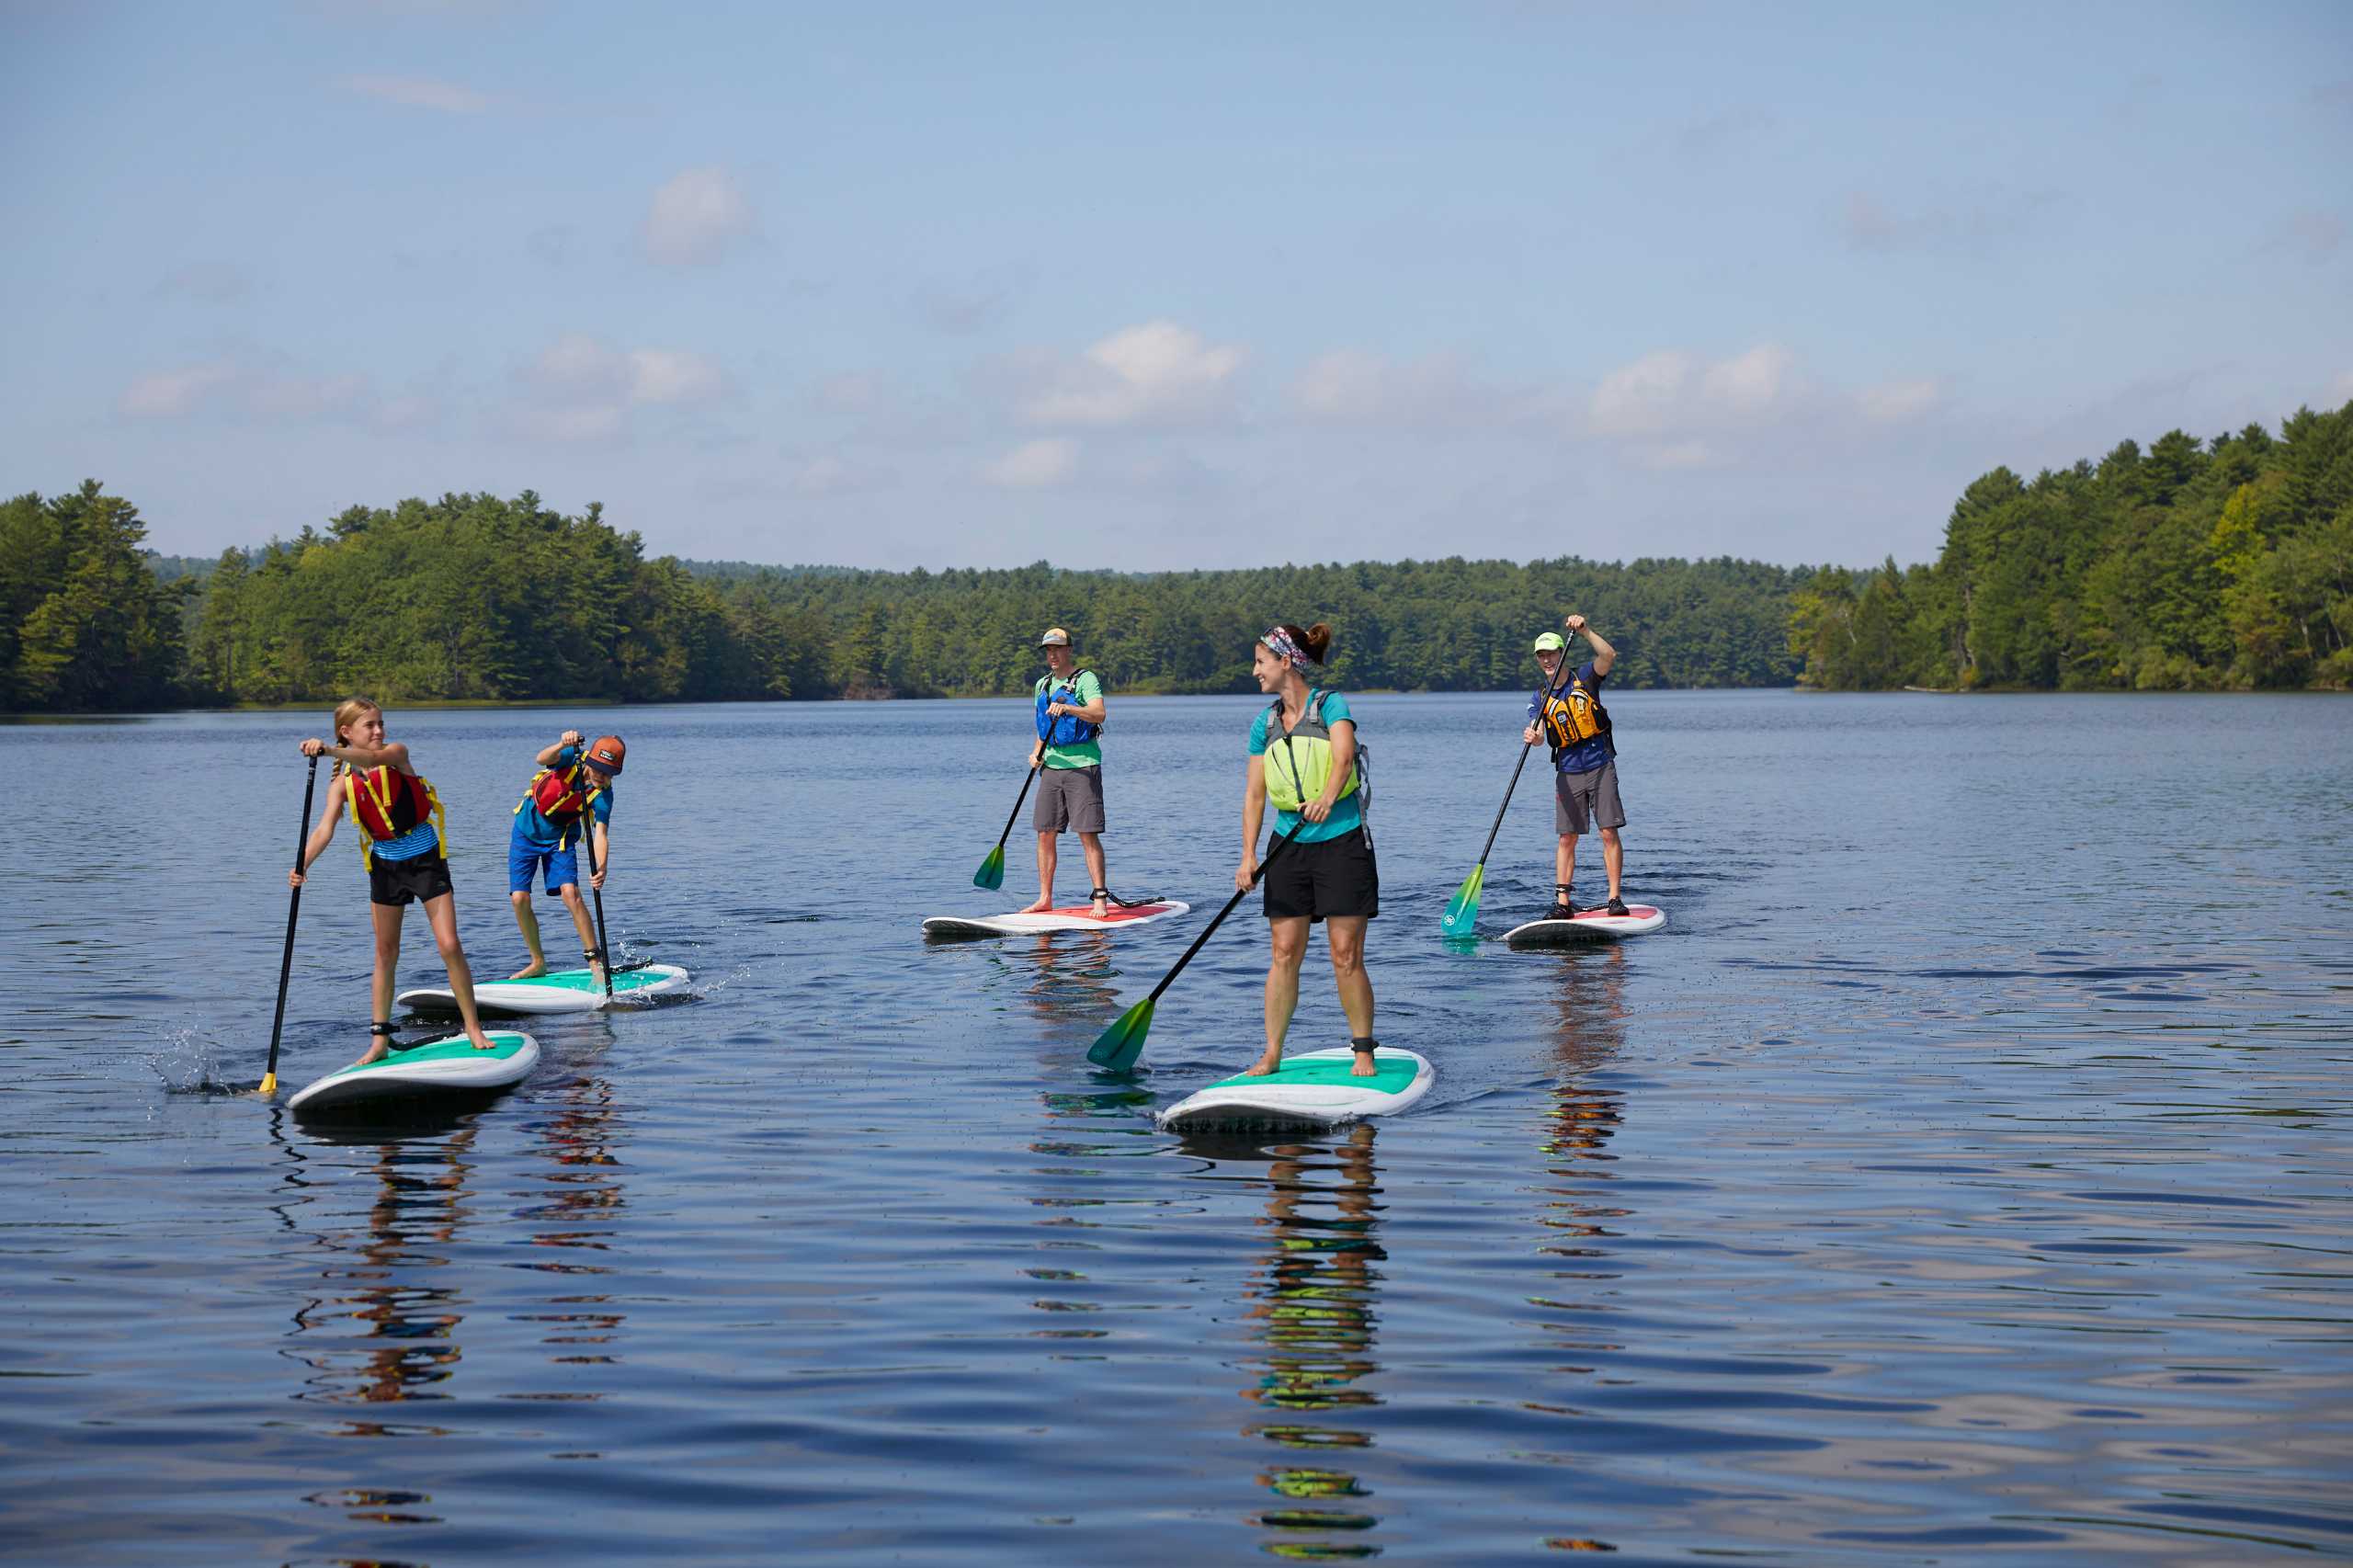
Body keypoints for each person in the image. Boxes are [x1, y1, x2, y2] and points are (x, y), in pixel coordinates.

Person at [289, 698, 495, 1062]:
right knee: (385, 953)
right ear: (346, 731)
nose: (379, 731)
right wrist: (301, 865)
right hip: (385, 867)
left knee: (449, 945)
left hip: (426, 861)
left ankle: (473, 1027)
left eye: (381, 723)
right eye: (370, 725)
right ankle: (379, 1041)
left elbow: (371, 759)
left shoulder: (396, 754)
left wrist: (328, 750)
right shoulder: (341, 785)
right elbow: (324, 830)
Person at [1239, 621, 1380, 1077]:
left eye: (1261, 662)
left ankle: (1363, 1049)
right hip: (1287, 846)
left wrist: (1326, 799)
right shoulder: (1263, 724)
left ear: (1286, 662)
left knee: (1345, 953)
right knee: (1283, 951)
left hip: (1341, 841)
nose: (1255, 671)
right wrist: (1248, 855)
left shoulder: (1331, 705)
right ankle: (1272, 1052)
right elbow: (1255, 795)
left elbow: (1343, 757)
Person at [1520, 614, 1628, 919]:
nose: (1546, 660)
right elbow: (1539, 734)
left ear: (1561, 653)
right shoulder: (1540, 697)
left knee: (1608, 831)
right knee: (1567, 837)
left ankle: (1614, 898)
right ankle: (1563, 903)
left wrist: (1585, 631)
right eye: (1541, 656)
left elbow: (1608, 655)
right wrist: (1534, 737)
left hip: (1599, 764)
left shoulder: (1586, 678)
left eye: (1551, 654)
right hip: (1567, 770)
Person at [507, 730, 623, 981]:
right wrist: (562, 744)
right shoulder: (572, 757)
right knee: (519, 898)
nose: (602, 777)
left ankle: (595, 964)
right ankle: (538, 962)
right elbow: (541, 758)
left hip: (559, 839)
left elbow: (601, 834)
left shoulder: (603, 796)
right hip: (526, 830)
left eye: (609, 773)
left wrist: (602, 867)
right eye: (599, 769)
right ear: (590, 760)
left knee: (571, 894)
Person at [1022, 628, 1111, 917]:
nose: (1053, 655)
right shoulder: (1042, 684)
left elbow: (1099, 713)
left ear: (1069, 650)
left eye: (1058, 649)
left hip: (1082, 766)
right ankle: (1045, 898)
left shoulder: (1085, 679)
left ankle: (1100, 898)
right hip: (1051, 768)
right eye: (1048, 650)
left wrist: (1070, 708)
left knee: (1087, 834)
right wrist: (1036, 752)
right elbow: (1042, 726)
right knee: (1045, 833)